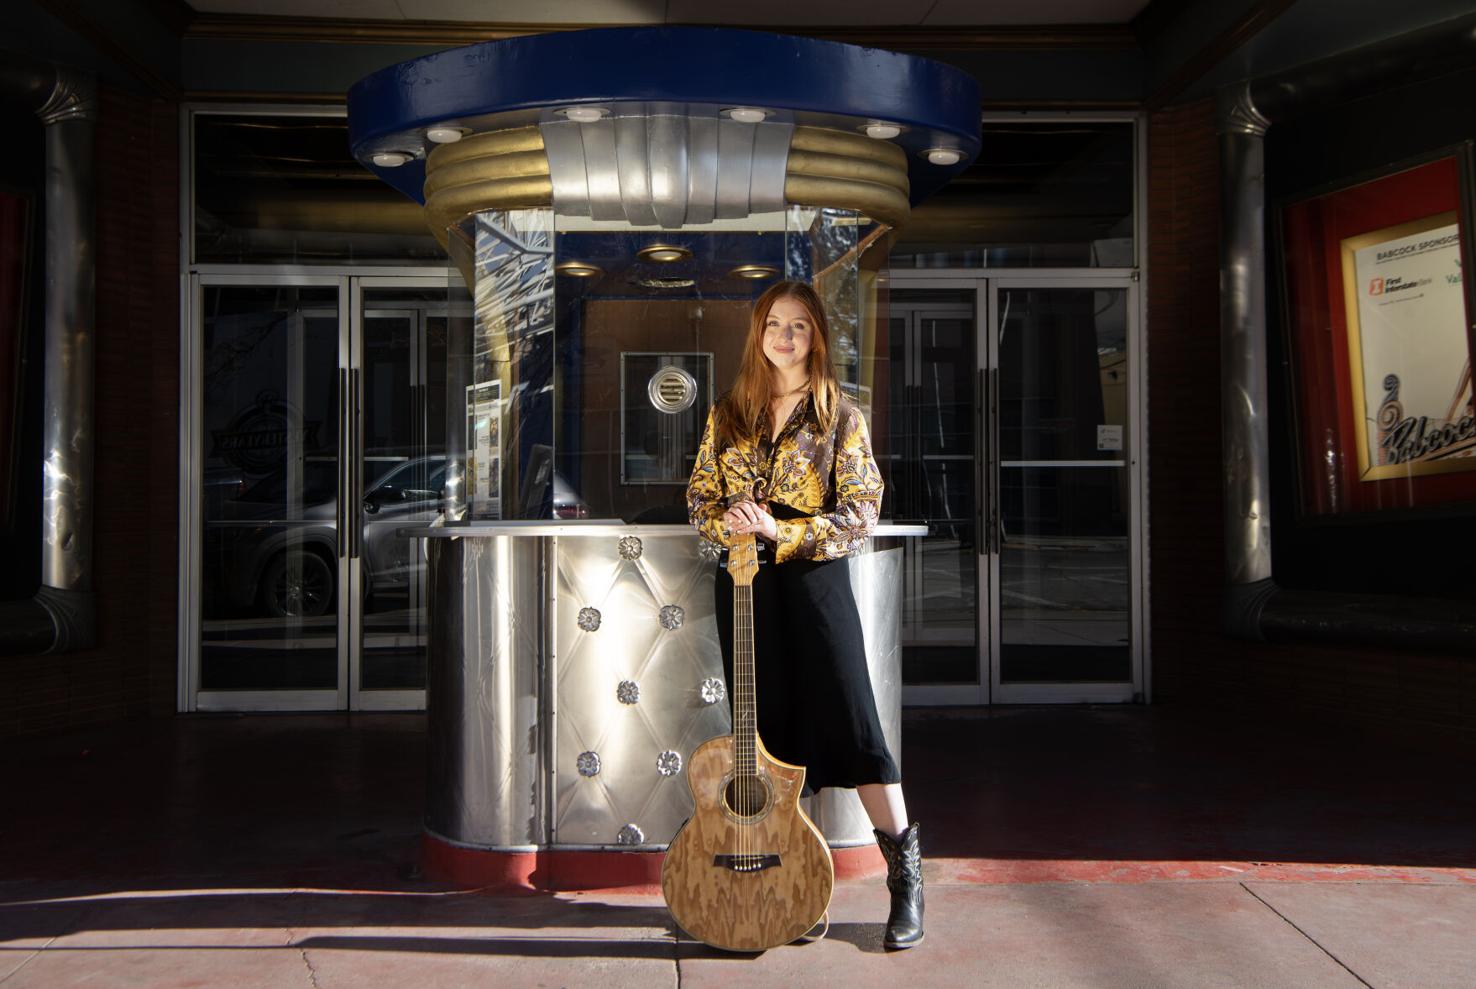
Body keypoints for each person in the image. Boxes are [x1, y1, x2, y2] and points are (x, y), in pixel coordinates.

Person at [686, 280, 924, 949]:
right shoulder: (729, 412)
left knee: (855, 725)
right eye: (773, 324)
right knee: (769, 743)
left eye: (797, 326)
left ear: (816, 335)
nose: (784, 337)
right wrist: (727, 520)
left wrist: (779, 531)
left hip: (814, 583)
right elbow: (699, 493)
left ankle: (905, 878)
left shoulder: (839, 416)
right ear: (757, 334)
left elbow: (861, 512)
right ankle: (799, 886)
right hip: (743, 585)